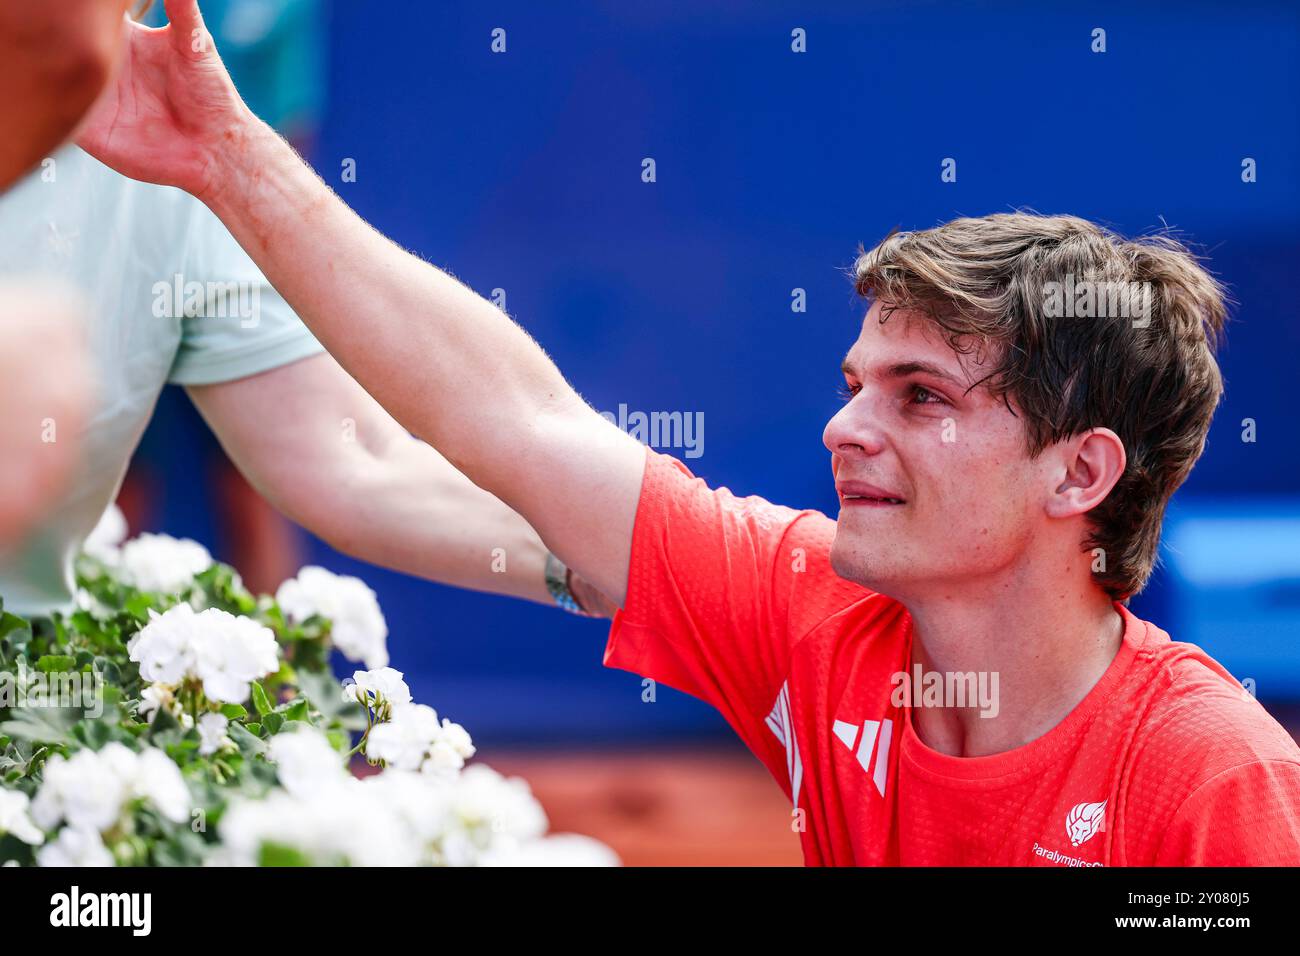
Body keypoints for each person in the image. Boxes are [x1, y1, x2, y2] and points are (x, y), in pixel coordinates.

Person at [78, 0, 1300, 865]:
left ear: (1079, 469)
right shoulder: (806, 610)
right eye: (855, 381)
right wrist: (227, 158)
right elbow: (514, 415)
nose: (843, 427)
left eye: (920, 395)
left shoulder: (1211, 780)